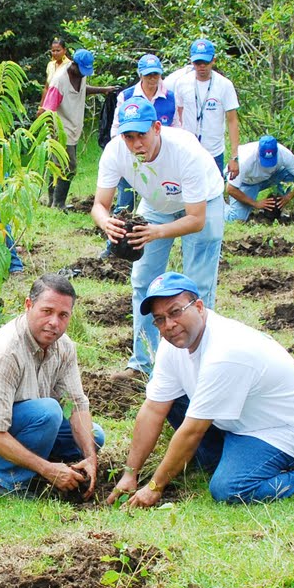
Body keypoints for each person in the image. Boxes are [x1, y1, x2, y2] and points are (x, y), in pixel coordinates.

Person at [108, 273, 294, 508]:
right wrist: (129, 474)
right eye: (160, 319)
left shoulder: (226, 352)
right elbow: (153, 409)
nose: (169, 325)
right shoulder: (172, 345)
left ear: (199, 306)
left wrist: (155, 486)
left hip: (280, 429)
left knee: (229, 489)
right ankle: (223, 459)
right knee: (169, 398)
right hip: (236, 419)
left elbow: (193, 430)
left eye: (175, 312)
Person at [91, 98, 226, 379]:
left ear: (157, 128)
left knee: (198, 286)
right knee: (142, 281)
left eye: (142, 134)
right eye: (129, 136)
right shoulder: (116, 152)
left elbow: (195, 219)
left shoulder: (184, 151)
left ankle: (200, 365)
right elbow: (99, 205)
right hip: (156, 205)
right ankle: (143, 363)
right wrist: (107, 223)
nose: (136, 143)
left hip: (203, 201)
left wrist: (157, 232)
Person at [0, 274, 103, 498]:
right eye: (47, 311)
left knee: (94, 437)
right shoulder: (4, 352)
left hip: (21, 420)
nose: (54, 323)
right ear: (28, 305)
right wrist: (49, 471)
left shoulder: (64, 346)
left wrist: (90, 459)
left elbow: (75, 405)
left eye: (63, 315)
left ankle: (35, 469)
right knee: (48, 413)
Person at [109, 55, 178, 214]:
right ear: (140, 74)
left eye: (156, 74)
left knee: (160, 200)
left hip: (160, 158)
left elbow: (176, 128)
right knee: (125, 202)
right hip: (132, 155)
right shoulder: (127, 96)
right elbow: (116, 128)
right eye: (148, 75)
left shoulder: (170, 97)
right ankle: (117, 237)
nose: (153, 78)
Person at [166, 38, 240, 175]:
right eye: (197, 63)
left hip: (214, 151)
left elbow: (232, 120)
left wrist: (234, 156)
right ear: (191, 62)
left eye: (205, 62)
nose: (202, 67)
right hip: (189, 150)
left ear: (213, 60)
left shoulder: (224, 85)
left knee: (214, 192)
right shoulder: (182, 83)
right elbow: (179, 114)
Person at [47, 49, 99, 209]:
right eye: (82, 71)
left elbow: (83, 89)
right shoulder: (59, 81)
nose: (83, 75)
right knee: (69, 167)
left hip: (73, 127)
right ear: (74, 65)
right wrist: (54, 135)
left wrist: (104, 90)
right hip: (60, 131)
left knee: (58, 166)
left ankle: (52, 202)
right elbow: (49, 110)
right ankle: (59, 203)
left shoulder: (78, 75)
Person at [226, 135, 294, 222]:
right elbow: (230, 189)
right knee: (236, 219)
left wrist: (288, 197)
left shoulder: (283, 153)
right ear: (258, 152)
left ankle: (278, 200)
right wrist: (255, 203)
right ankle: (219, 206)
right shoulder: (245, 160)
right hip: (248, 183)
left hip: (272, 176)